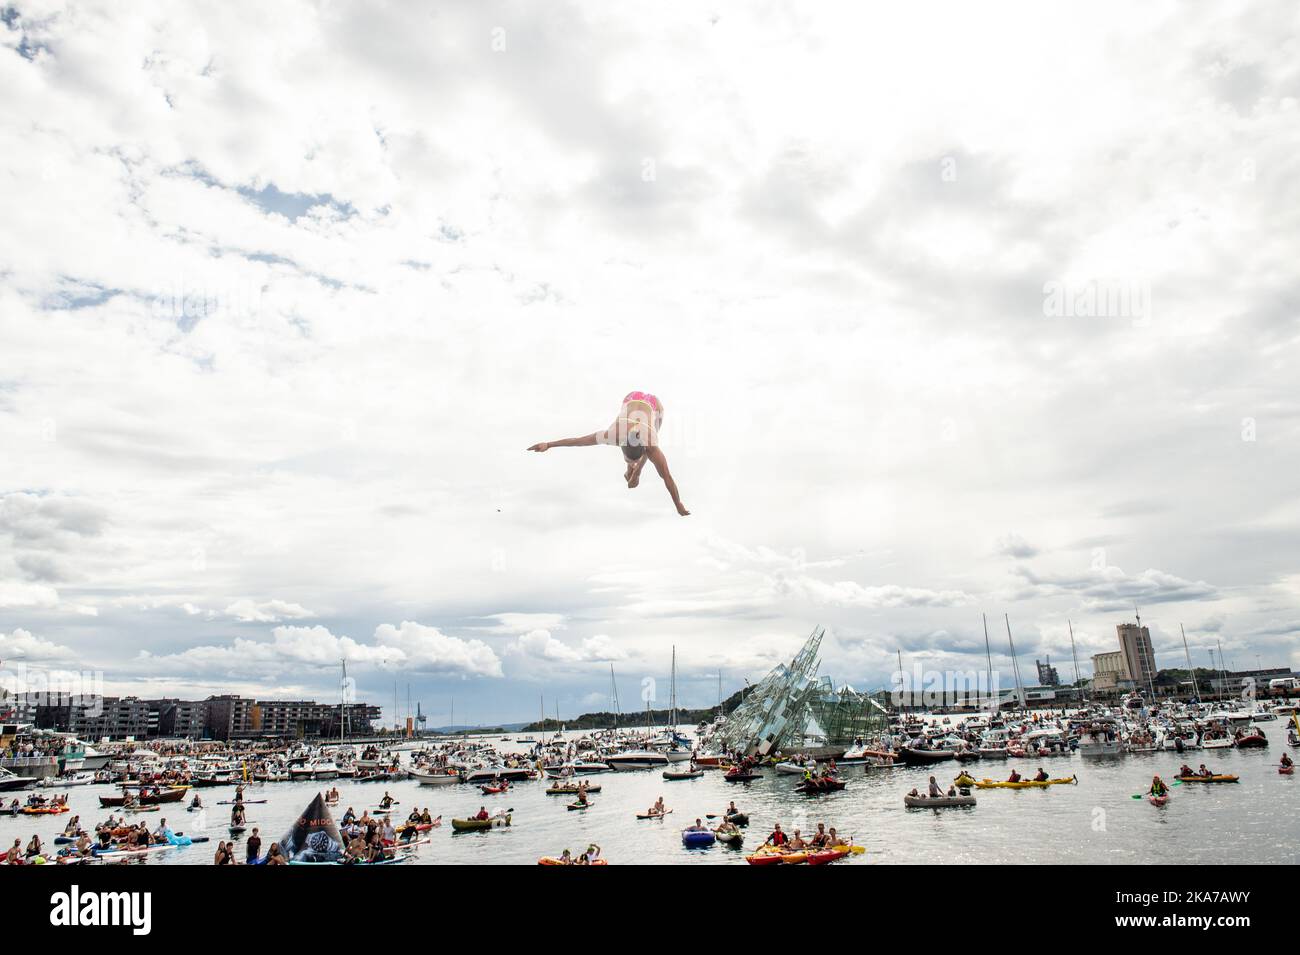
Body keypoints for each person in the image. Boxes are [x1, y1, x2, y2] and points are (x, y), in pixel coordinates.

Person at [527, 390, 690, 516]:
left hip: (641, 400)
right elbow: (666, 477)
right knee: (650, 449)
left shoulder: (627, 438)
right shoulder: (617, 436)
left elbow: (577, 441)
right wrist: (678, 505)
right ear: (620, 444)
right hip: (647, 402)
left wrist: (549, 444)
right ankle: (634, 470)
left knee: (651, 445)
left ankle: (635, 471)